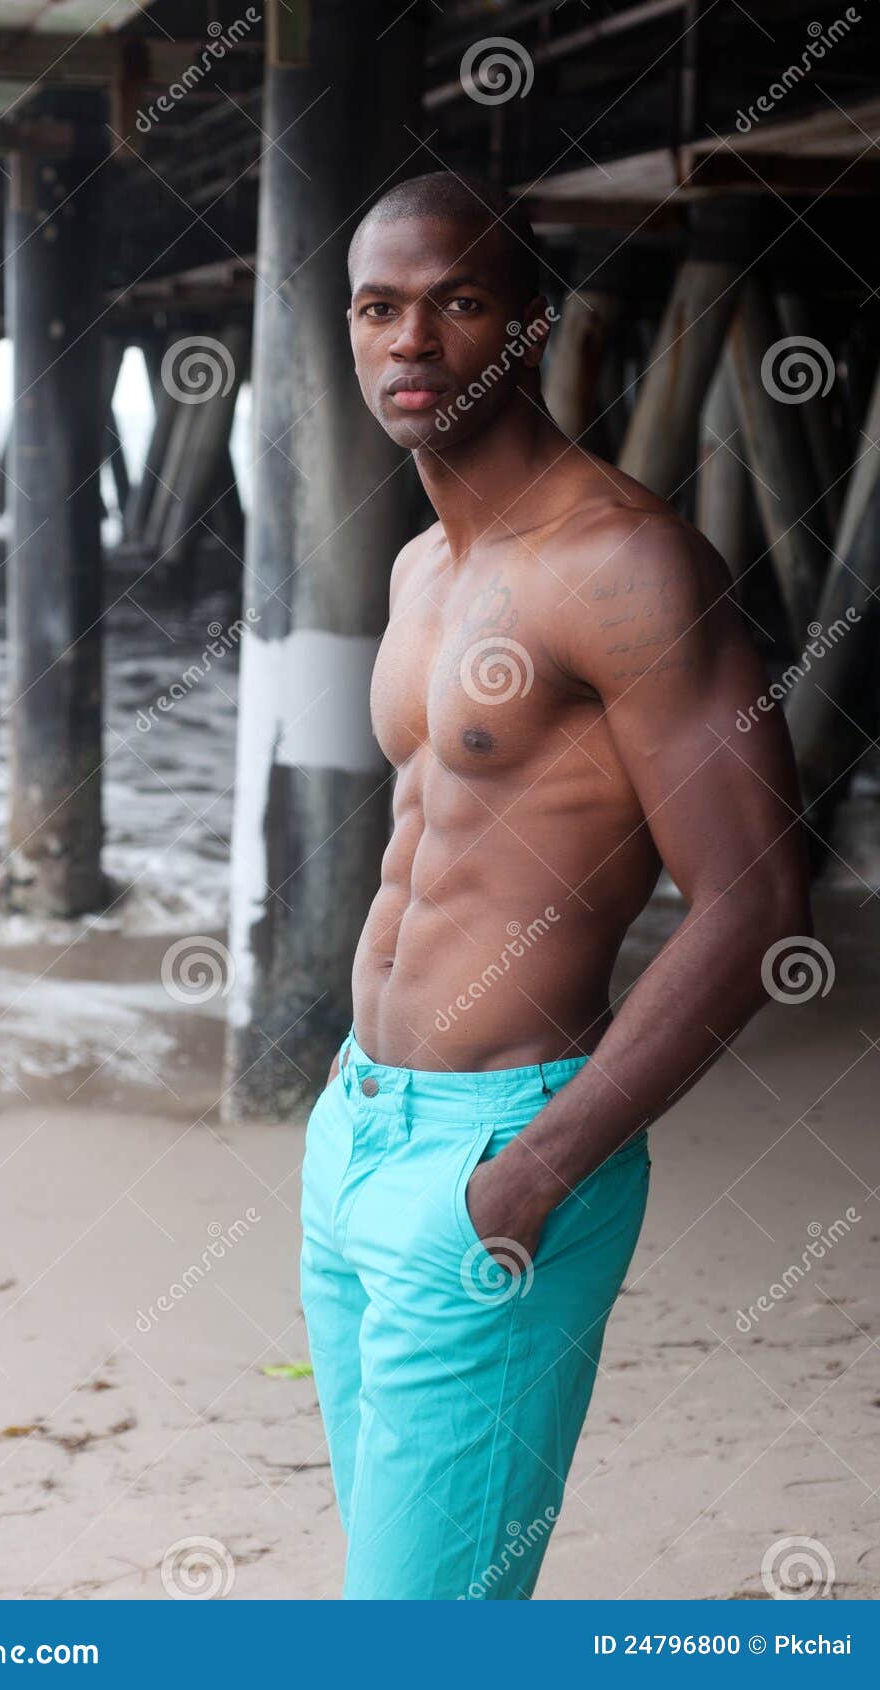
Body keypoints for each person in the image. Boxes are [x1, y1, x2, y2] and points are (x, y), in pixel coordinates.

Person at [299, 171, 811, 1600]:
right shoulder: (416, 570)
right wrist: (349, 1108)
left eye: (457, 303)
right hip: (357, 1135)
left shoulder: (627, 567)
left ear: (526, 328)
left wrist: (533, 1169)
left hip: (498, 1152)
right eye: (378, 307)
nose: (411, 342)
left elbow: (757, 903)